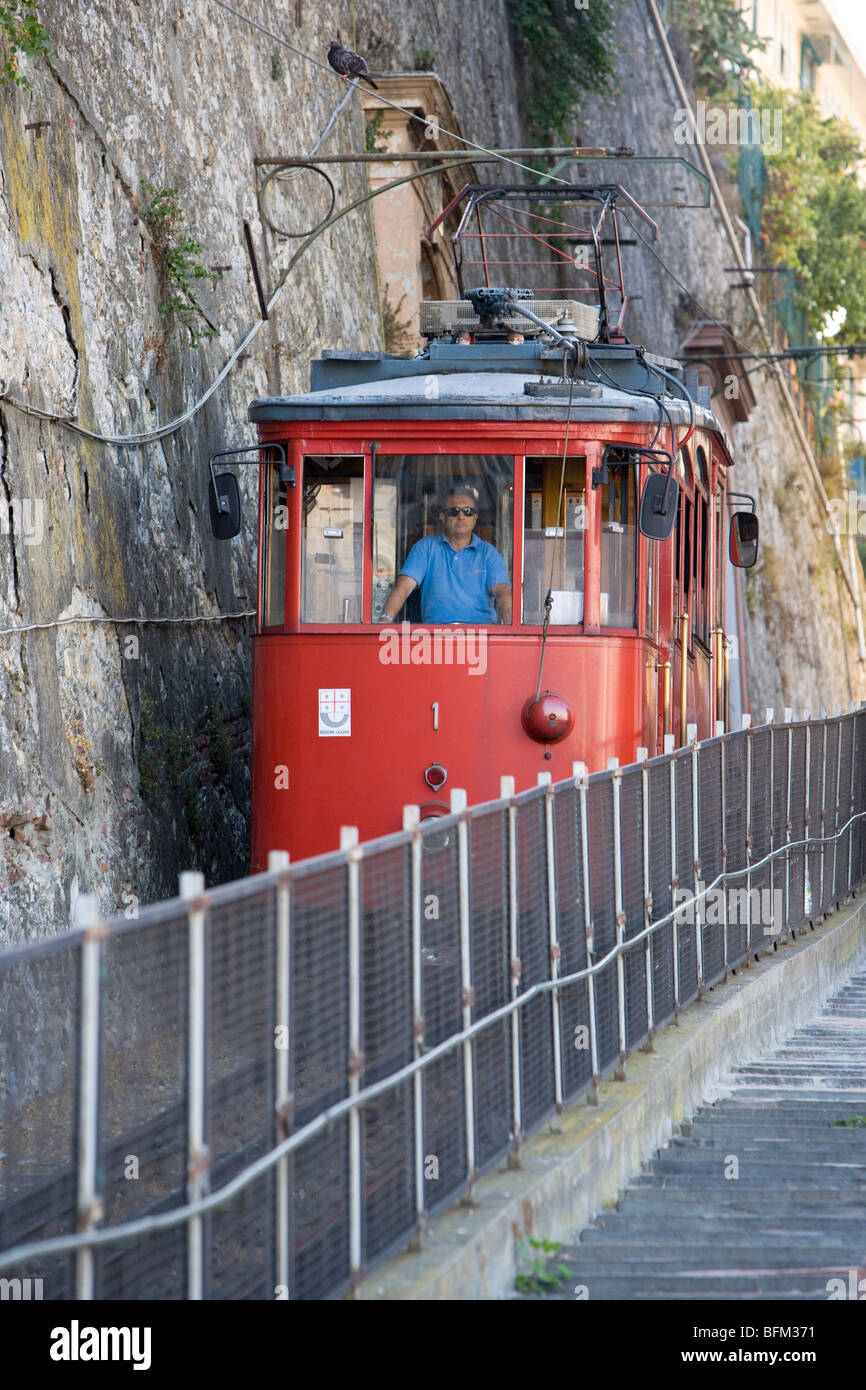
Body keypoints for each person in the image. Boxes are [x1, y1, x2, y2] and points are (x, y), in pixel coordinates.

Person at [380, 488, 512, 624]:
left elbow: (503, 593)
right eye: (454, 512)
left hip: (482, 637)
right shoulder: (426, 547)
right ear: (442, 517)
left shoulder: (488, 552)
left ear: (475, 517)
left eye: (468, 511)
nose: (461, 517)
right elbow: (404, 586)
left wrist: (511, 634)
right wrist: (385, 620)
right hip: (434, 636)